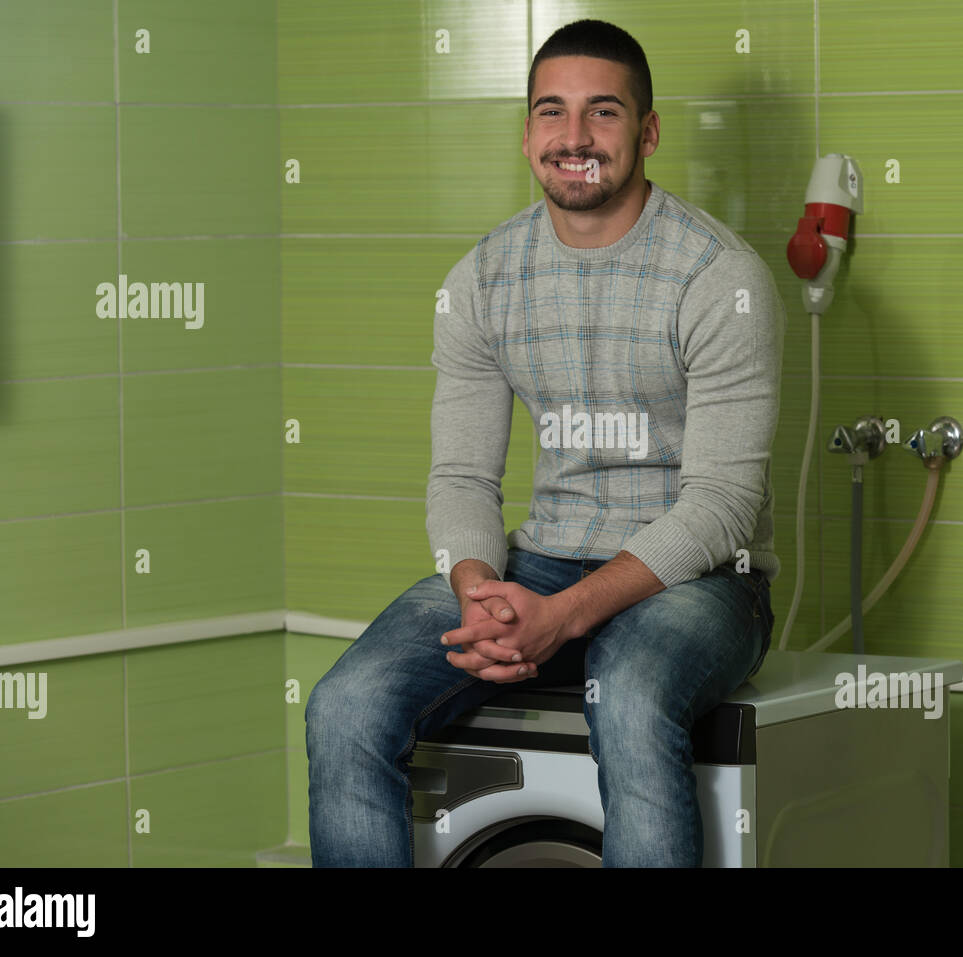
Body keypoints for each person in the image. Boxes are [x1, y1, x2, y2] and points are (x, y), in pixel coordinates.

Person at [306, 18, 783, 867]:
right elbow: (460, 475)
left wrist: (561, 618)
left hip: (701, 582)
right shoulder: (483, 280)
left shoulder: (719, 277)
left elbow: (722, 506)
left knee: (631, 695)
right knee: (345, 706)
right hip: (540, 563)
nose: (575, 138)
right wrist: (480, 587)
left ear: (648, 131)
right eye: (551, 113)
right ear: (527, 134)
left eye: (602, 113)